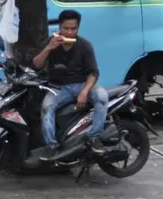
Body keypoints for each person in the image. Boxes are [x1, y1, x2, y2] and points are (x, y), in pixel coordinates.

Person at [31, 9, 109, 157]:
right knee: (46, 107)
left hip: (82, 84)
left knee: (102, 97)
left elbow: (93, 72)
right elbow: (36, 65)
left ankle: (95, 137)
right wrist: (48, 48)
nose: (69, 32)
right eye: (66, 28)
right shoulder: (51, 42)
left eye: (73, 29)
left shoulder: (85, 45)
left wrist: (85, 91)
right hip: (59, 87)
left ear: (78, 28)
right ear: (60, 27)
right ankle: (51, 146)